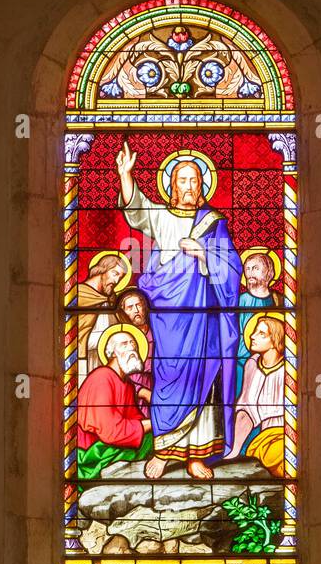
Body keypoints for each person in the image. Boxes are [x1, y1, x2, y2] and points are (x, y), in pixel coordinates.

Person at [117, 141, 242, 479]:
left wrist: (204, 254)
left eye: (195, 181)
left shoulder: (213, 223)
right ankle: (163, 449)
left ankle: (196, 457)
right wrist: (126, 175)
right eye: (182, 181)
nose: (189, 187)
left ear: (202, 187)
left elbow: (232, 267)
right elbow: (137, 209)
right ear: (172, 187)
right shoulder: (162, 216)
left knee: (203, 378)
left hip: (202, 318)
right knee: (168, 377)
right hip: (167, 317)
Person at [76, 325, 154, 480]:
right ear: (111, 353)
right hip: (92, 452)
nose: (132, 348)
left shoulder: (128, 384)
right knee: (154, 436)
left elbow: (135, 417)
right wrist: (154, 423)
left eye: (134, 344)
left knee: (157, 437)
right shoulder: (101, 378)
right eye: (124, 344)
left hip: (115, 442)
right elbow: (110, 431)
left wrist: (152, 424)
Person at [229, 313, 287, 476]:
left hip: (284, 436)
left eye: (261, 334)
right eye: (254, 331)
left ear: (276, 339)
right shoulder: (252, 364)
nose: (252, 336)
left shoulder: (289, 369)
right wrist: (234, 449)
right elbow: (246, 407)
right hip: (263, 439)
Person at [237, 248, 283, 392]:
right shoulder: (240, 300)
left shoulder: (278, 300)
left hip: (271, 359)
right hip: (241, 359)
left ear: (268, 273)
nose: (250, 272)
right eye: (247, 269)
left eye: (255, 268)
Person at [76, 251, 127, 376]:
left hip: (110, 363)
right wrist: (105, 338)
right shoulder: (79, 296)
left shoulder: (112, 300)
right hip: (86, 362)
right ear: (102, 270)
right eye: (114, 274)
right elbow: (76, 337)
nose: (116, 281)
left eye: (119, 278)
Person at [114, 288, 153, 411]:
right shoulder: (120, 339)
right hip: (130, 394)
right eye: (130, 307)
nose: (136, 310)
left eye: (138, 305)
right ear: (123, 312)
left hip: (156, 388)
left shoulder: (156, 333)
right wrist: (142, 392)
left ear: (144, 308)